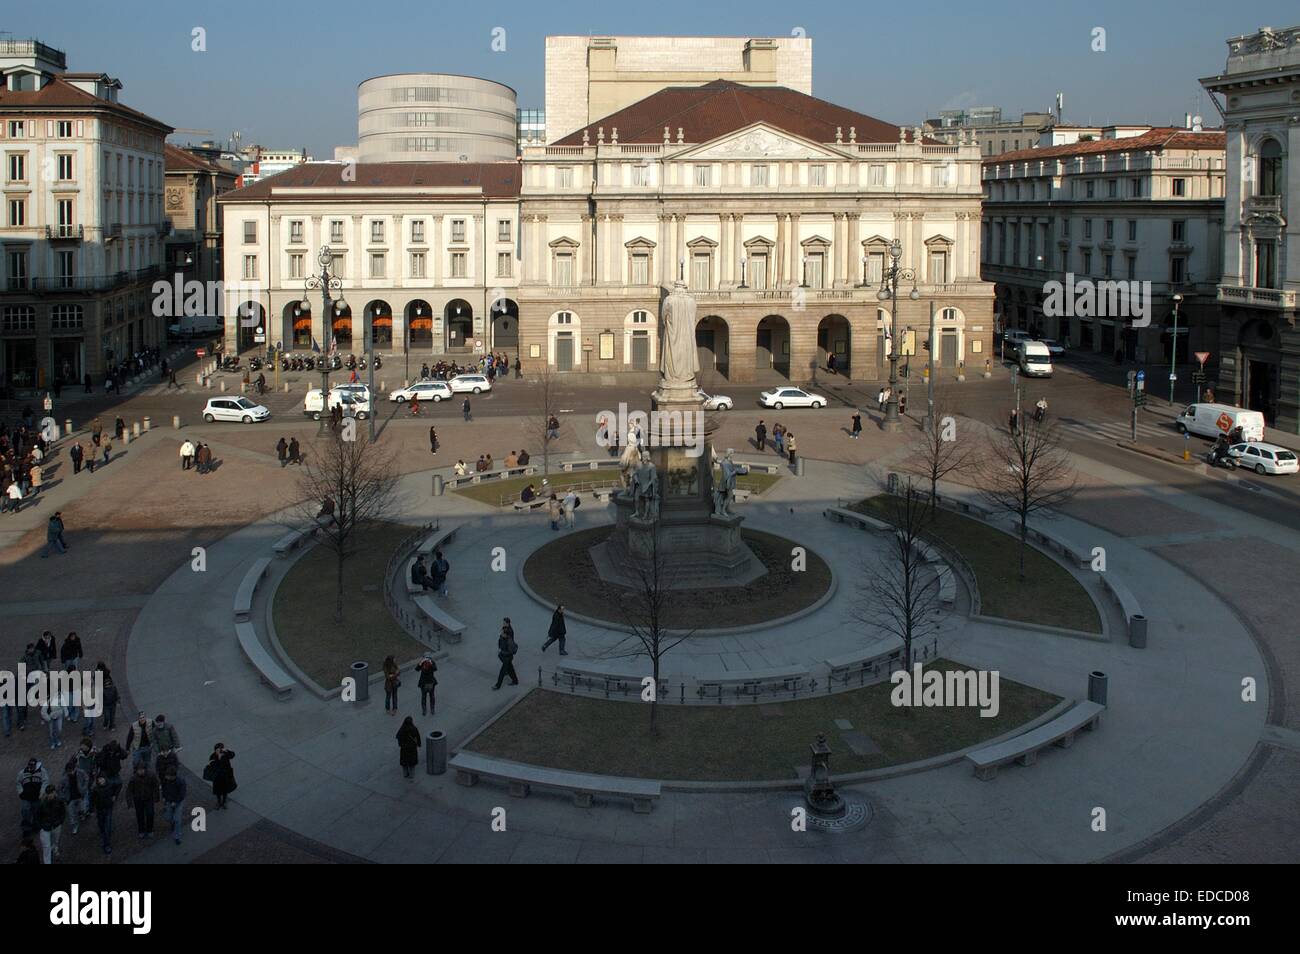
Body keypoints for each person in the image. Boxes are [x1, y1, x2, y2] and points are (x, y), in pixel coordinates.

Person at [127, 763, 159, 840]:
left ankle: (150, 829)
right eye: (139, 770)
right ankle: (141, 830)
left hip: (148, 798)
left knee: (150, 814)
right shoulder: (133, 778)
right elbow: (129, 790)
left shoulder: (151, 775)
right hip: (138, 800)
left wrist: (156, 797)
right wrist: (129, 802)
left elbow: (156, 786)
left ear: (145, 769)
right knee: (140, 815)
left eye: (142, 770)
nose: (140, 771)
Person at [37, 785, 67, 863]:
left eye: (51, 793)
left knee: (55, 841)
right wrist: (41, 826)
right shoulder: (42, 804)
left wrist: (60, 821)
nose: (50, 795)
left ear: (54, 793)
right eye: (48, 793)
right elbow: (38, 816)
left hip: (56, 826)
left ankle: (55, 849)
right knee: (46, 847)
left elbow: (63, 813)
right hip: (45, 828)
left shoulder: (59, 801)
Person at [17, 758, 48, 834]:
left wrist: (42, 793)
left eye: (33, 766)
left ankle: (36, 825)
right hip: (26, 797)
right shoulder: (22, 772)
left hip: (37, 797)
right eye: (30, 766)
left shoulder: (42, 771)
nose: (31, 768)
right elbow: (18, 783)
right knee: (25, 811)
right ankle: (26, 828)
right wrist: (20, 792)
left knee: (36, 811)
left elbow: (45, 782)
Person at [57, 757, 86, 835]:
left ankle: (81, 813)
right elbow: (59, 788)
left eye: (72, 771)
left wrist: (84, 789)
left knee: (83, 808)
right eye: (69, 771)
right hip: (70, 798)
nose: (70, 773)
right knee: (71, 814)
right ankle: (74, 826)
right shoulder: (64, 778)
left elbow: (86, 779)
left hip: (80, 796)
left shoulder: (81, 772)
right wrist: (64, 797)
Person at [88, 775, 115, 855]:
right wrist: (91, 809)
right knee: (101, 824)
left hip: (108, 809)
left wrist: (113, 797)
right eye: (99, 779)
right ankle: (104, 835)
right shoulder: (95, 790)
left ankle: (107, 844)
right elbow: (92, 800)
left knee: (107, 826)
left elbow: (115, 790)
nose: (101, 780)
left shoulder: (109, 786)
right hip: (100, 810)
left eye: (102, 779)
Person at [161, 765, 186, 845]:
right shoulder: (166, 780)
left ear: (173, 776)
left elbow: (182, 794)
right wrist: (164, 797)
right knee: (168, 817)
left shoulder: (181, 782)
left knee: (177, 819)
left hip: (178, 802)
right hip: (169, 801)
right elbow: (164, 790)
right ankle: (172, 823)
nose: (166, 777)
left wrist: (175, 802)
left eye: (168, 776)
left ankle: (177, 836)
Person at [207, 744, 236, 809]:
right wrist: (219, 759)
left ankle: (224, 801)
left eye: (221, 749)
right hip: (217, 777)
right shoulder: (213, 756)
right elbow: (212, 765)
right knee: (218, 791)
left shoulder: (225, 754)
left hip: (225, 776)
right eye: (218, 750)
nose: (219, 751)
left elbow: (232, 755)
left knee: (225, 790)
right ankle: (218, 802)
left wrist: (227, 751)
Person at [493, 624, 519, 690]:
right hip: (504, 657)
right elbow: (499, 644)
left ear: (506, 635)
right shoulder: (501, 638)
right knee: (510, 669)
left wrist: (504, 652)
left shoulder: (509, 641)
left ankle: (497, 685)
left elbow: (512, 650)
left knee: (502, 672)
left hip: (507, 658)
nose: (501, 633)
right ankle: (515, 681)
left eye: (502, 633)